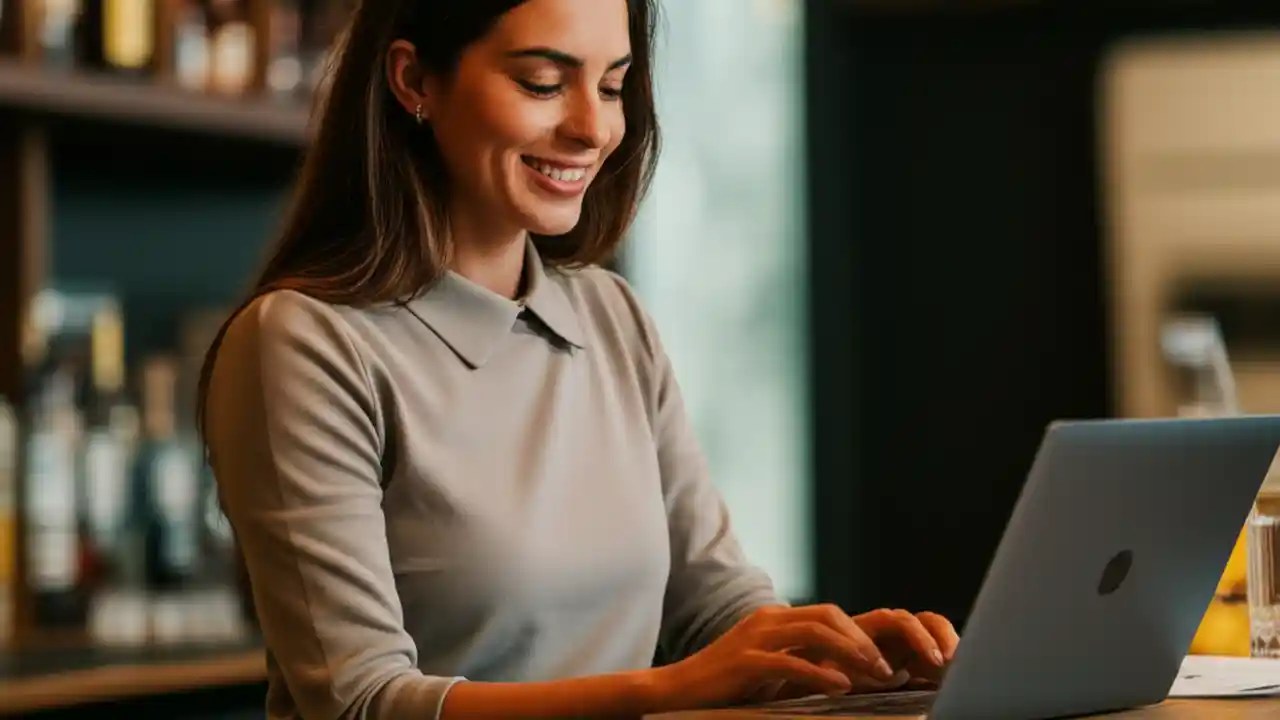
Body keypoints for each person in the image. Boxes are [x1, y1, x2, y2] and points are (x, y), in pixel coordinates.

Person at [199, 1, 959, 718]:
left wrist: (850, 661)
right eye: (543, 83)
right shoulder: (306, 343)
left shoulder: (611, 316)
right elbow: (361, 700)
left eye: (613, 85)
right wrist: (670, 690)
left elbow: (716, 606)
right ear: (413, 80)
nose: (593, 127)